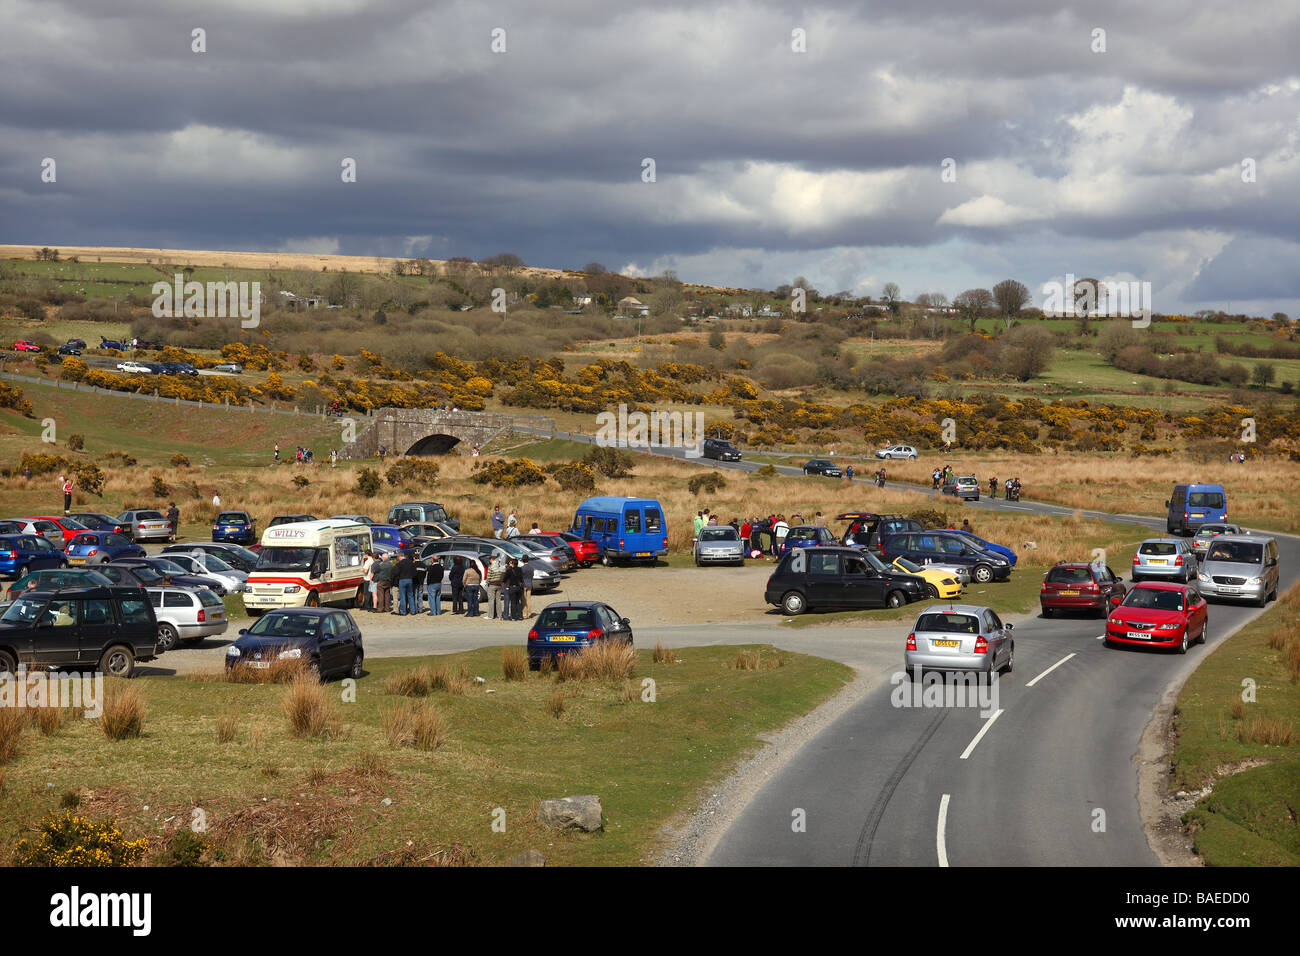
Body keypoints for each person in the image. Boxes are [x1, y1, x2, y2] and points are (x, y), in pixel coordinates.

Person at [395, 550, 417, 615]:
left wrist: (398, 578)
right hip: (409, 580)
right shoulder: (410, 563)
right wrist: (411, 577)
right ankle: (413, 611)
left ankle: (403, 612)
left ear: (400, 556)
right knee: (411, 596)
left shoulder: (399, 564)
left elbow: (396, 573)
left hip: (402, 580)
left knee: (402, 596)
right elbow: (415, 573)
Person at [486, 554, 506, 619]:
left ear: (492, 560)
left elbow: (488, 577)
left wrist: (487, 583)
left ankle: (490, 616)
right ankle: (499, 615)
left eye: (490, 560)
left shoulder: (491, 567)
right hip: (499, 584)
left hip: (492, 584)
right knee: (498, 600)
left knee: (491, 600)